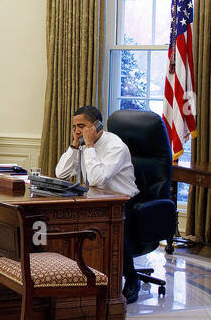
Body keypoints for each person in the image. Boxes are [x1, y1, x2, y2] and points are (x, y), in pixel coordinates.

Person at [54, 105, 144, 303]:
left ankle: (131, 278)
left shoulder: (115, 147)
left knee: (114, 233)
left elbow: (95, 179)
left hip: (123, 201)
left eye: (82, 126)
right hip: (96, 198)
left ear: (97, 125)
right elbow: (60, 173)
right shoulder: (84, 144)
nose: (78, 130)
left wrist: (90, 146)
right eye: (74, 126)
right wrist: (75, 145)